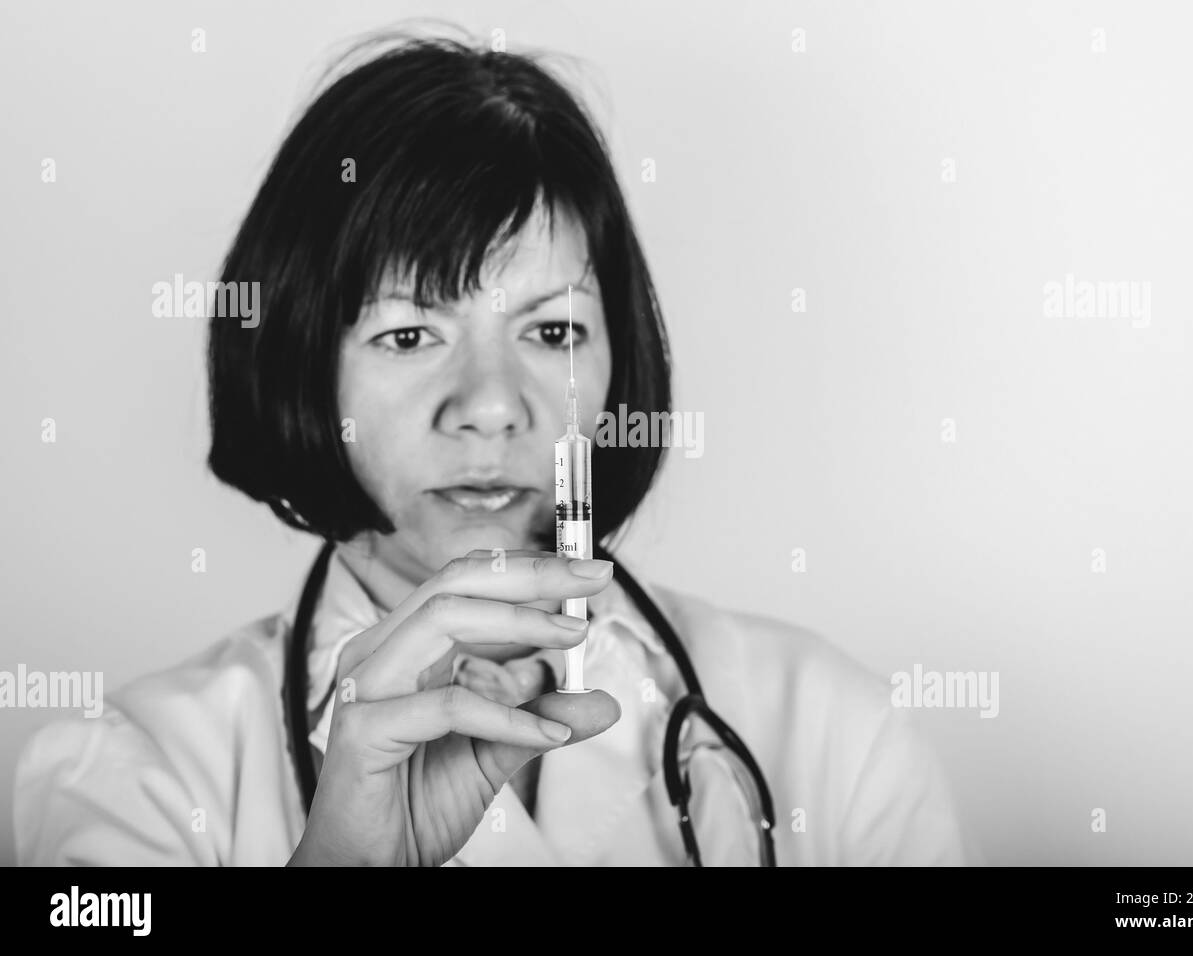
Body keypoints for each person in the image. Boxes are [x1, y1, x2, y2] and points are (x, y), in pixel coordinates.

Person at [14, 32, 975, 866]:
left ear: (618, 367)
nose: (489, 408)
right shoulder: (124, 774)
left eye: (553, 334)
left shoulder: (831, 738)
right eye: (407, 335)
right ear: (302, 363)